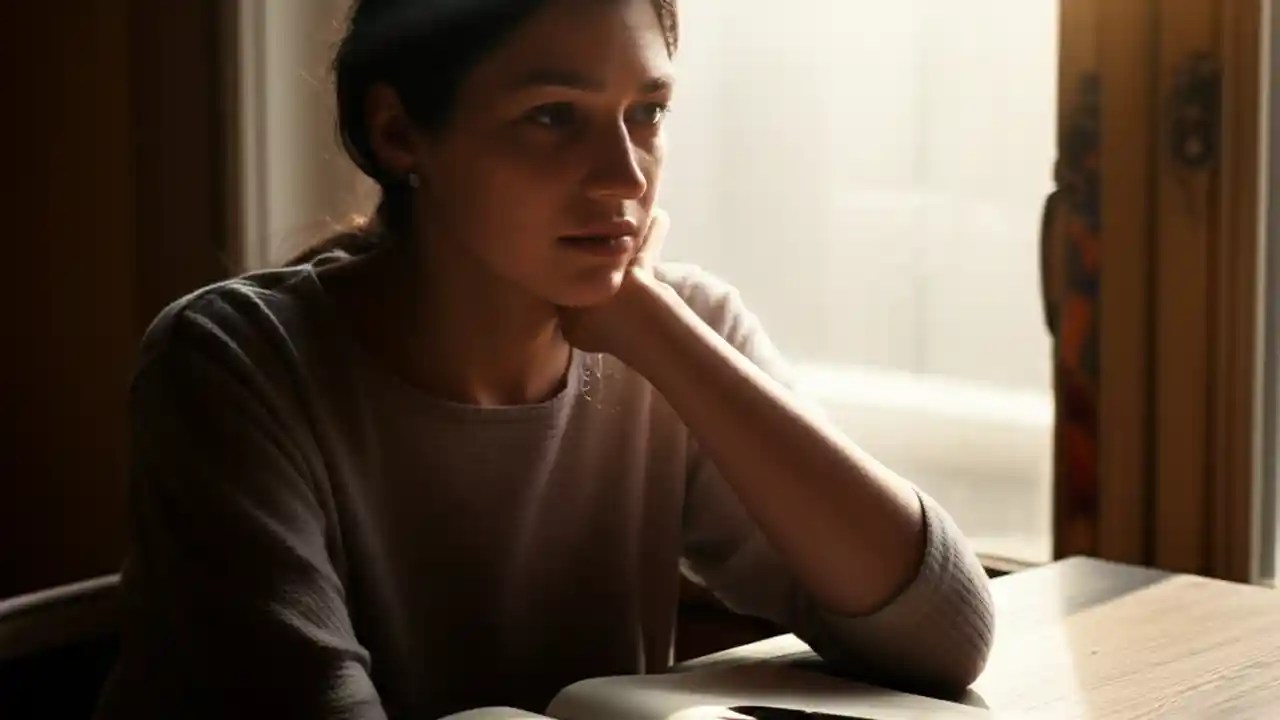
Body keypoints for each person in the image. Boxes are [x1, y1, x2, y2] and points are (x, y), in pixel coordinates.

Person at [95, 0, 994, 717]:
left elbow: (942, 636)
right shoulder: (232, 365)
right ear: (401, 133)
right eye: (553, 116)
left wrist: (655, 330)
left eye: (647, 113)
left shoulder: (676, 332)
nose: (625, 177)